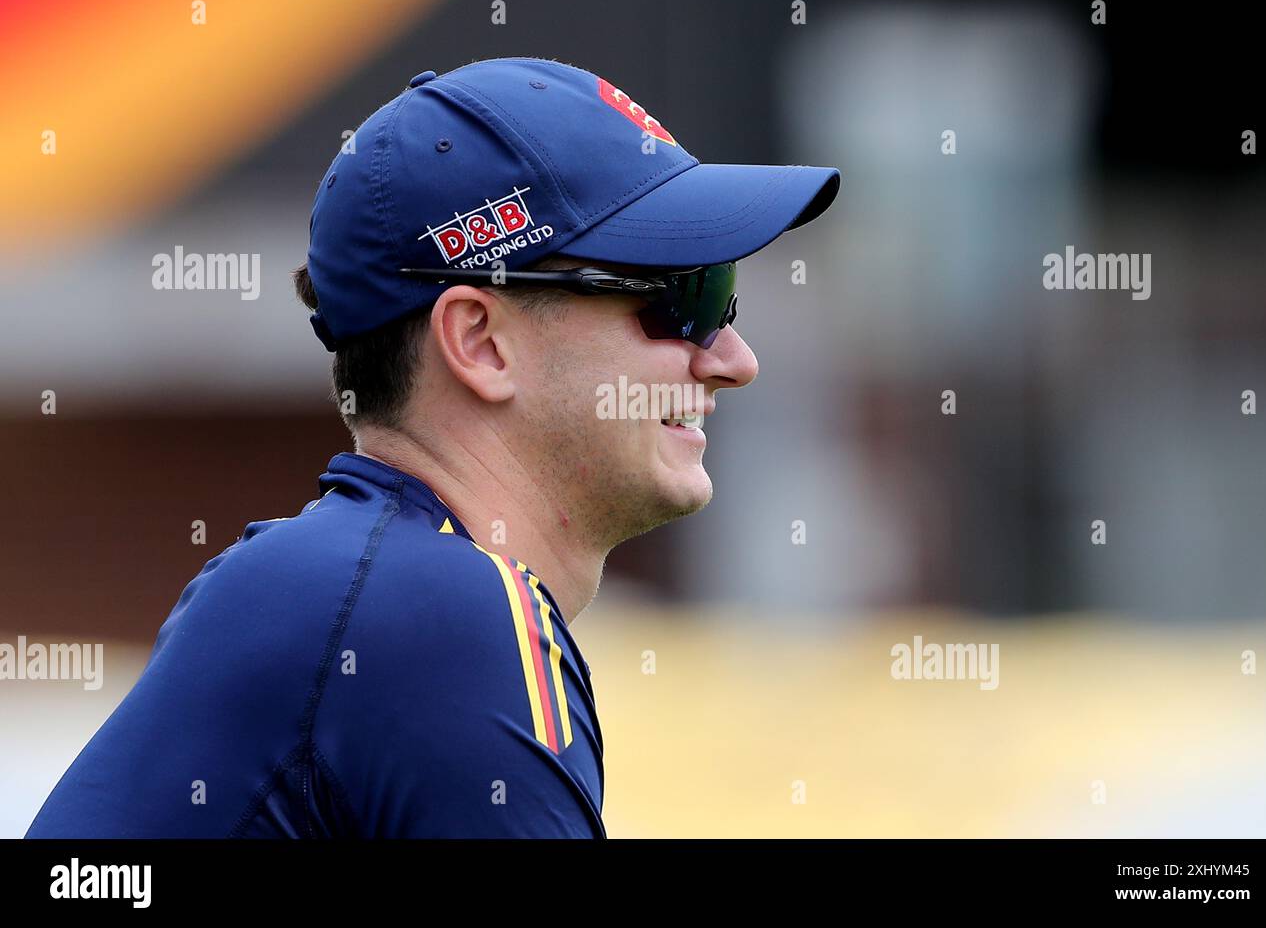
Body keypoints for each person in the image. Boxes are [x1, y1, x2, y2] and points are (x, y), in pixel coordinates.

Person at [26, 57, 839, 837]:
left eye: (723, 297)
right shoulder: (442, 613)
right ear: (480, 342)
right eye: (684, 298)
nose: (734, 361)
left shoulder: (336, 587)